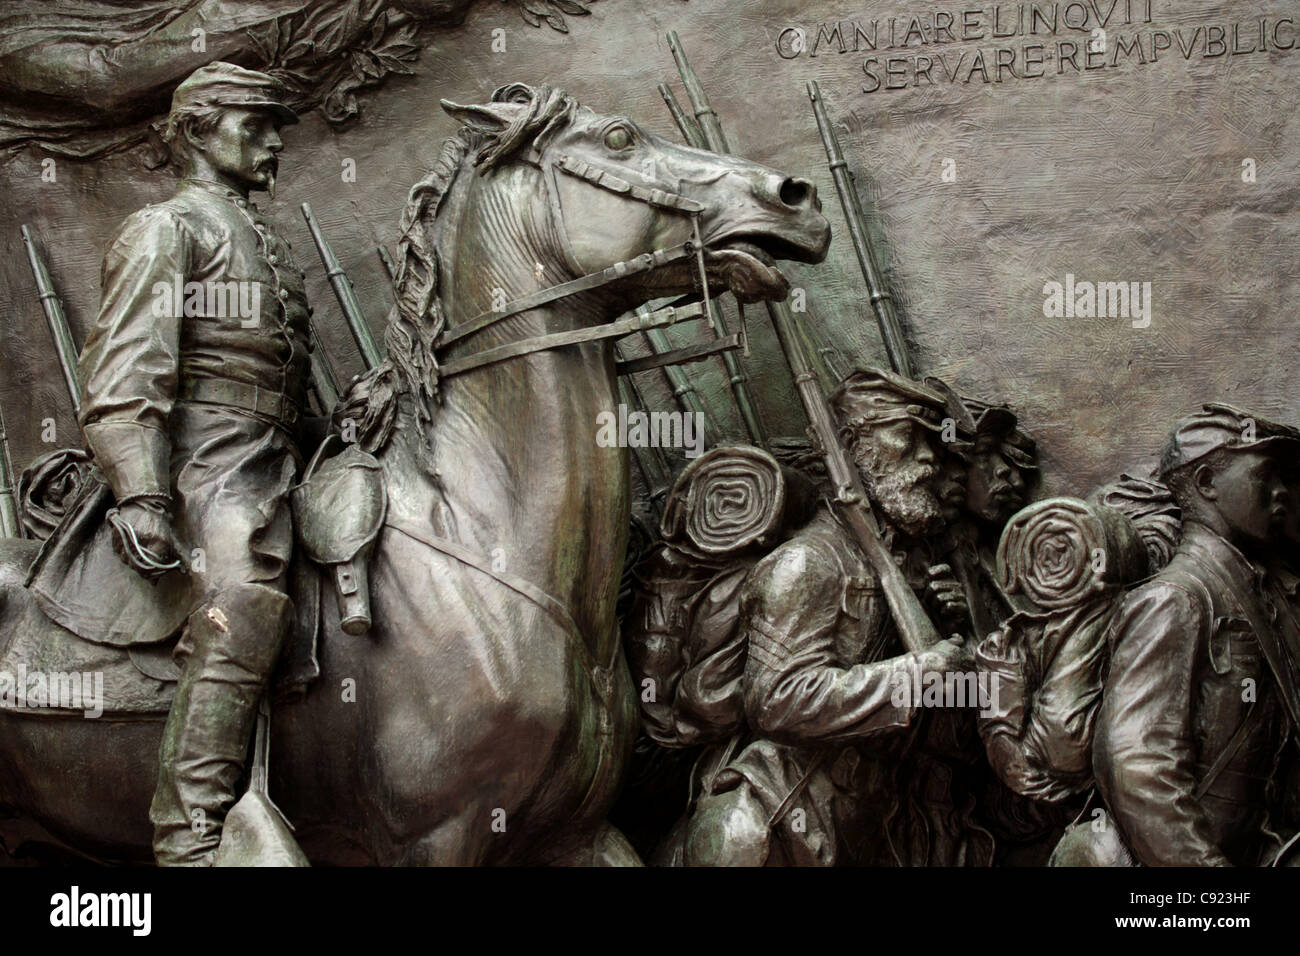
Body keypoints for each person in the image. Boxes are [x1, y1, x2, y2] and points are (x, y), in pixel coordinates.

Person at [74, 62, 317, 865]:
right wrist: (141, 491)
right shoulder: (167, 229)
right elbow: (125, 374)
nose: (276, 142)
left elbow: (277, 376)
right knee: (241, 596)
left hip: (281, 454)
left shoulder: (266, 242)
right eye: (258, 123)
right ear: (198, 130)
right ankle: (192, 838)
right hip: (205, 463)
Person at [681, 369, 973, 866]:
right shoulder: (808, 563)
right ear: (854, 451)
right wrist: (916, 674)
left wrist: (946, 627)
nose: (929, 460)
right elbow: (776, 701)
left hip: (873, 816)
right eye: (907, 438)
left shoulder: (898, 565)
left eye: (933, 445)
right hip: (783, 820)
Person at [1092, 403, 1300, 865]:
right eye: (1265, 475)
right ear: (1207, 484)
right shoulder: (1176, 600)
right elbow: (1134, 764)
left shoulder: (1268, 594)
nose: (1281, 491)